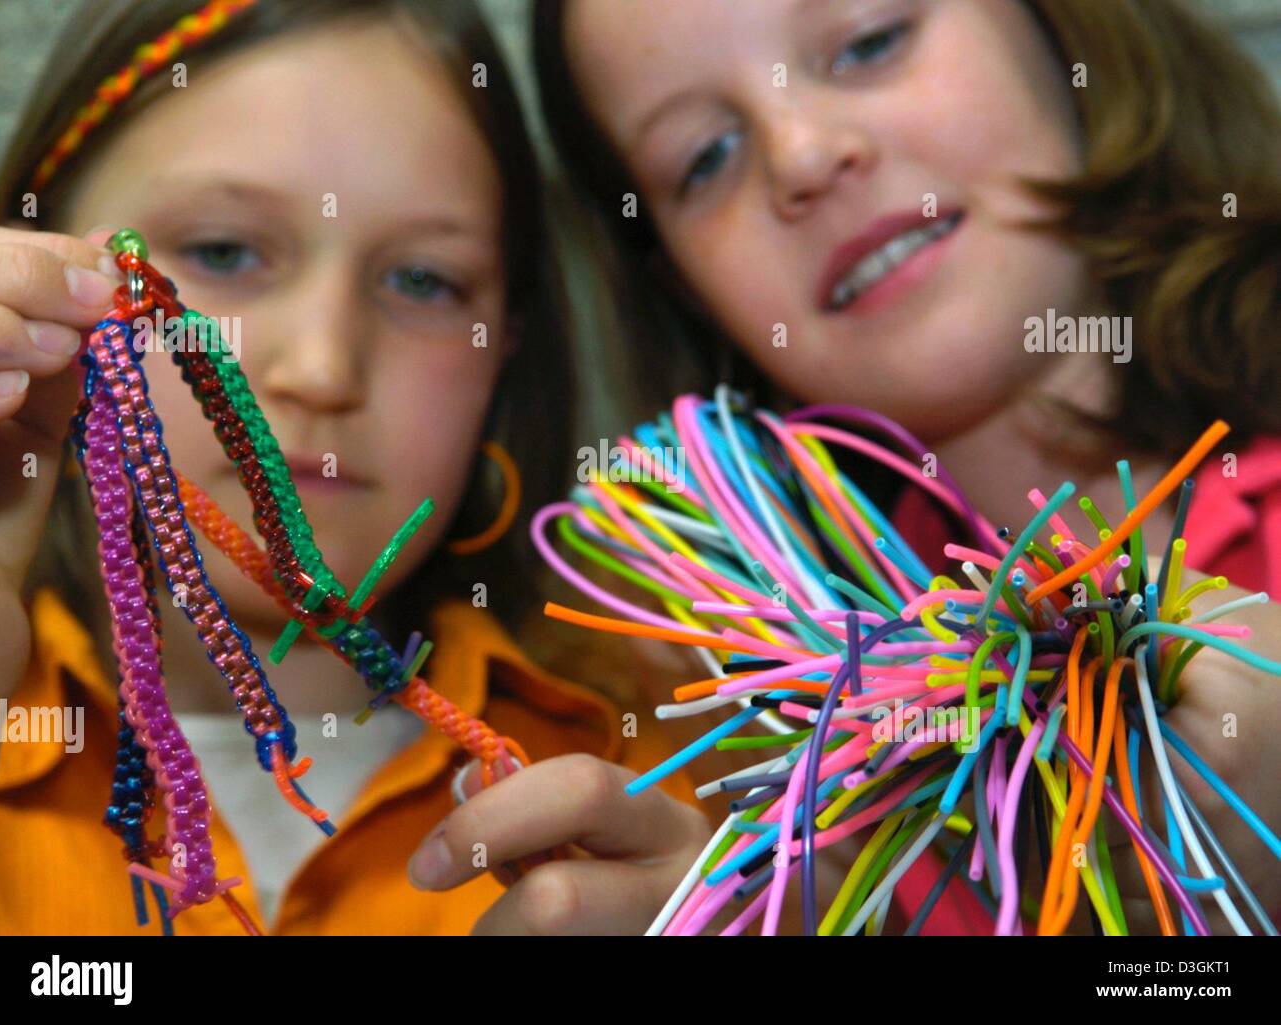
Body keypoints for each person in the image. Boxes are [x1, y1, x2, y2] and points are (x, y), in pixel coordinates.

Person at [531, 0, 1281, 933]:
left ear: (1057, 28)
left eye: (869, 42)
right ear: (682, 284)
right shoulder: (776, 742)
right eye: (704, 158)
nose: (802, 154)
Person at [0, 0, 709, 936]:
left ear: (506, 353)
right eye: (223, 251)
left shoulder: (670, 774)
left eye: (422, 282)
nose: (323, 369)